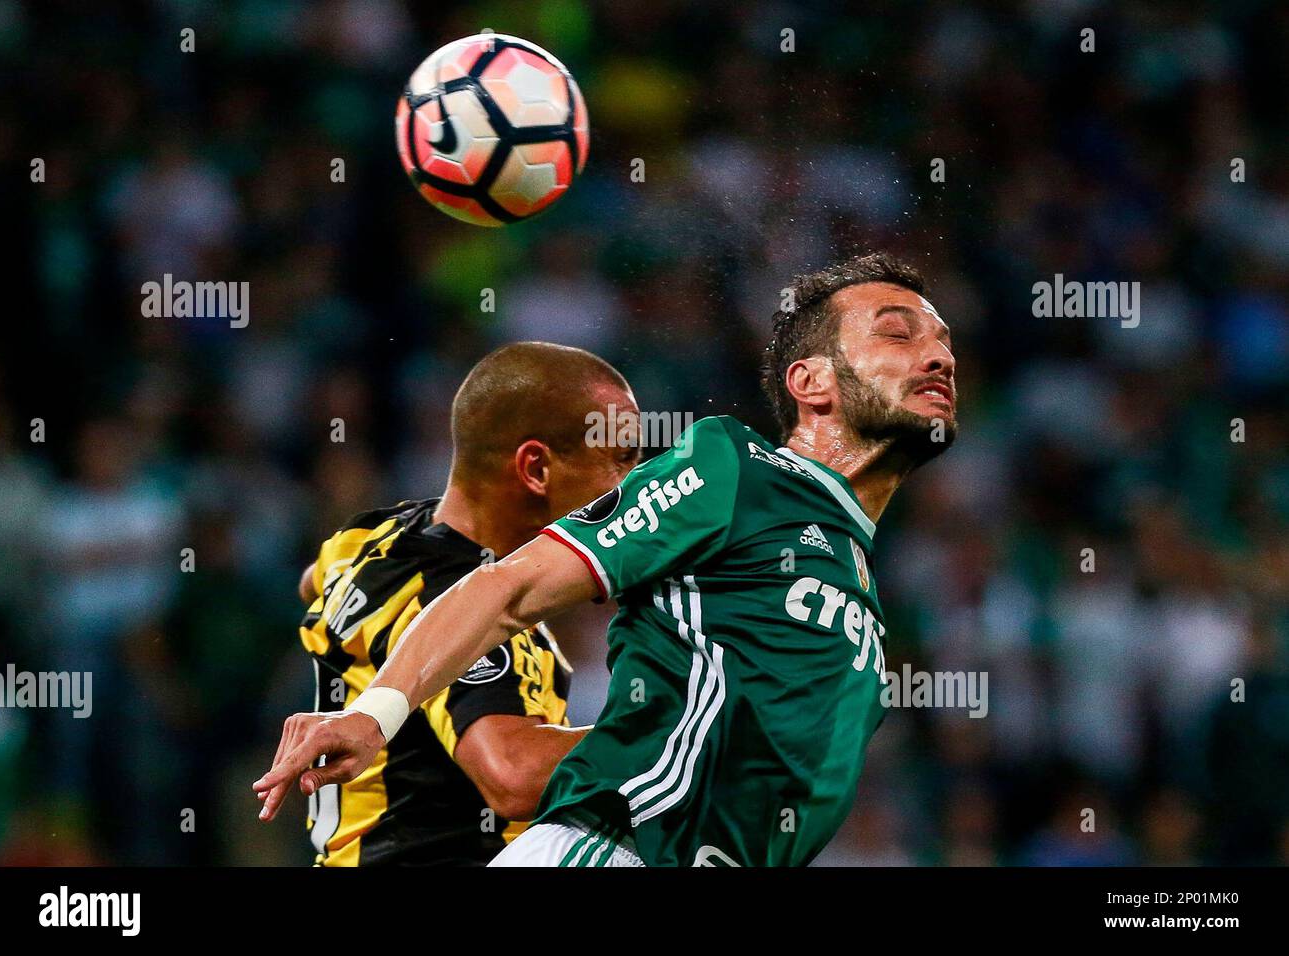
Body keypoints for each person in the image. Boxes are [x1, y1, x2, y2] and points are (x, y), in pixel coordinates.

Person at [256, 253, 958, 866]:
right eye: (899, 333)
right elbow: (506, 590)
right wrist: (374, 715)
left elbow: (322, 572)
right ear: (811, 383)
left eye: (943, 340)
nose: (939, 356)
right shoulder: (736, 468)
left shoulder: (857, 571)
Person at [292, 341, 640, 864]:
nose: (636, 486)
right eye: (621, 459)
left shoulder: (369, 537)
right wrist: (683, 735)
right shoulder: (456, 613)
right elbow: (512, 774)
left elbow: (313, 580)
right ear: (536, 469)